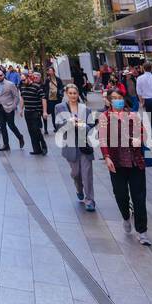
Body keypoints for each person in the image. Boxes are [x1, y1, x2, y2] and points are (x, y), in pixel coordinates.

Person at [98, 87, 152, 246]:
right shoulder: (104, 117)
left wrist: (140, 139)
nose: (117, 100)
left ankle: (142, 232)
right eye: (114, 98)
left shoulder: (133, 115)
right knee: (121, 195)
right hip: (117, 162)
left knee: (139, 198)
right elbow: (102, 139)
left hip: (136, 161)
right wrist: (107, 157)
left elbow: (144, 133)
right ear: (109, 100)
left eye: (119, 97)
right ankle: (126, 217)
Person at [55, 83, 96, 212]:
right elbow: (58, 127)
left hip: (84, 145)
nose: (73, 95)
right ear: (67, 94)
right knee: (76, 173)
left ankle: (90, 200)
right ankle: (79, 188)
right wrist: (69, 123)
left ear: (78, 94)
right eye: (70, 93)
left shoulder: (85, 109)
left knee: (87, 174)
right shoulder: (59, 107)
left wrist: (83, 125)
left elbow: (91, 127)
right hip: (70, 145)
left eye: (75, 93)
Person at [0, 69, 25, 152]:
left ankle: (20, 137)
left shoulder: (10, 84)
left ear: (3, 75)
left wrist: (13, 106)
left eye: (0, 75)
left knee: (11, 125)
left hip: (8, 108)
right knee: (2, 126)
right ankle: (6, 145)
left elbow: (16, 97)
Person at [19, 71, 49, 154]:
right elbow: (22, 98)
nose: (23, 82)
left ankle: (44, 146)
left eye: (24, 80)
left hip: (35, 112)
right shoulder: (22, 87)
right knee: (31, 131)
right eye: (21, 81)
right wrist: (21, 109)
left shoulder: (37, 87)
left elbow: (43, 99)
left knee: (36, 130)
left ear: (29, 78)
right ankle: (36, 150)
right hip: (27, 112)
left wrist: (45, 112)